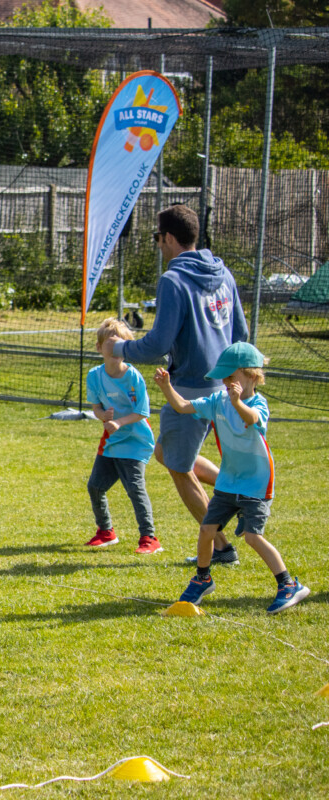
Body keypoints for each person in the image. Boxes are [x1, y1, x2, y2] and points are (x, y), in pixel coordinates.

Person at [108, 204, 248, 564]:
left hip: (187, 391)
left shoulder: (173, 280)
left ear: (169, 237)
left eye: (158, 237)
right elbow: (241, 334)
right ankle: (239, 491)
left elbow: (157, 344)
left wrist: (118, 347)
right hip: (222, 389)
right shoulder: (223, 273)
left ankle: (221, 547)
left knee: (178, 466)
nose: (158, 244)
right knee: (165, 454)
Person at [156, 342, 310, 614]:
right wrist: (167, 387)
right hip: (228, 481)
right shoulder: (218, 401)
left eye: (231, 377)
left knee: (252, 537)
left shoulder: (258, 404)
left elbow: (252, 419)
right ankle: (202, 578)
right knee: (207, 530)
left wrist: (238, 402)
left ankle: (288, 585)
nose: (226, 383)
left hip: (255, 483)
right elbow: (182, 406)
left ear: (252, 375)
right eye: (224, 378)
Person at [84, 318, 160, 554]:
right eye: (111, 343)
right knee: (95, 486)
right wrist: (102, 416)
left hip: (136, 441)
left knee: (135, 489)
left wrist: (118, 422)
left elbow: (142, 412)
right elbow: (96, 408)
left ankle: (149, 538)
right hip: (112, 441)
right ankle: (106, 532)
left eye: (121, 344)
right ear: (99, 347)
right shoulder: (94, 376)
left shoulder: (133, 377)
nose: (116, 348)